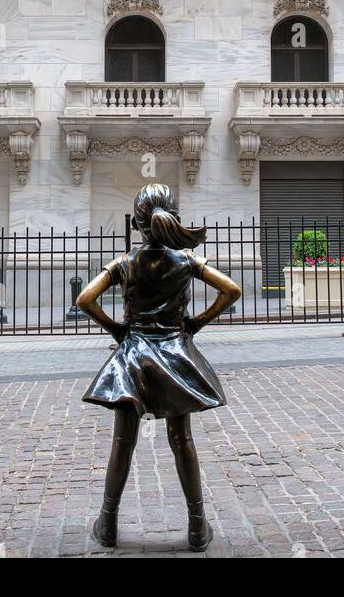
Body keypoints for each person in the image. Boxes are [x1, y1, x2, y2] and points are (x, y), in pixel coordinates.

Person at [77, 183, 241, 551]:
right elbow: (231, 290)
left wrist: (117, 329)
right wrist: (197, 322)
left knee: (122, 442)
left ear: (137, 224)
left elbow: (85, 299)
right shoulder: (186, 261)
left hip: (133, 356)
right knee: (182, 440)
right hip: (175, 355)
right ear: (172, 220)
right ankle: (197, 526)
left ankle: (108, 523)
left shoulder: (125, 263)